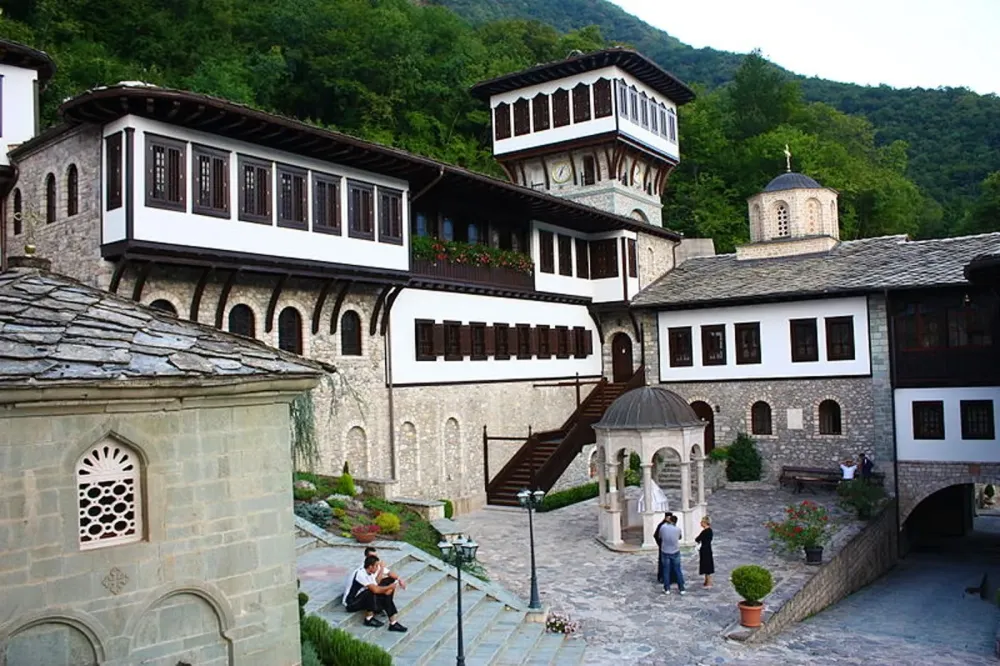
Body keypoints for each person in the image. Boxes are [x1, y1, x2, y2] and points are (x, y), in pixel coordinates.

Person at [342, 555, 408, 632]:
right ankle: (368, 619)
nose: (378, 568)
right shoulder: (361, 574)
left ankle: (393, 622)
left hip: (365, 596)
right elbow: (375, 590)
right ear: (370, 566)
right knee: (372, 592)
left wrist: (398, 581)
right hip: (351, 603)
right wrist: (388, 588)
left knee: (388, 582)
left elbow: (383, 579)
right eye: (376, 566)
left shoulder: (371, 571)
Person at [656, 513, 685, 595]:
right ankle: (681, 588)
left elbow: (659, 536)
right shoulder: (678, 529)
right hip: (675, 551)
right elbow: (679, 537)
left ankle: (667, 589)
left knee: (666, 570)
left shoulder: (663, 527)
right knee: (678, 569)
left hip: (665, 551)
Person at [653, 512, 674, 583]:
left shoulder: (672, 525)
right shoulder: (661, 525)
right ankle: (662, 577)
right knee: (663, 563)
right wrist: (660, 544)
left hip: (671, 547)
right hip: (663, 547)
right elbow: (656, 535)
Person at [695, 516, 714, 588]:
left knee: (706, 566)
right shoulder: (710, 531)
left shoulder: (705, 532)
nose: (700, 523)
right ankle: (706, 581)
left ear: (705, 523)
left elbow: (697, 539)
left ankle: (708, 582)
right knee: (708, 565)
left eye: (702, 522)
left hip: (704, 550)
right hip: (708, 549)